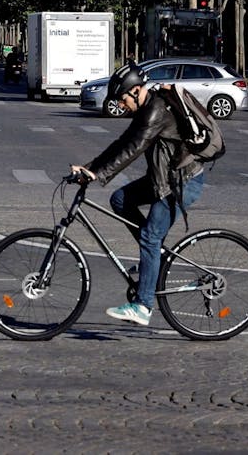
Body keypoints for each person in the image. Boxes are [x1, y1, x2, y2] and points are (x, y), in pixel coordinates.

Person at [69, 61, 208, 327]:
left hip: (181, 183)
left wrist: (97, 174)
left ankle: (143, 306)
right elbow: (122, 143)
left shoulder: (155, 110)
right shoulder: (146, 109)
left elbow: (132, 149)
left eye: (122, 99)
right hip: (162, 180)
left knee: (149, 236)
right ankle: (155, 260)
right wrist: (90, 168)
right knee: (120, 200)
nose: (121, 105)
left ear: (135, 91)